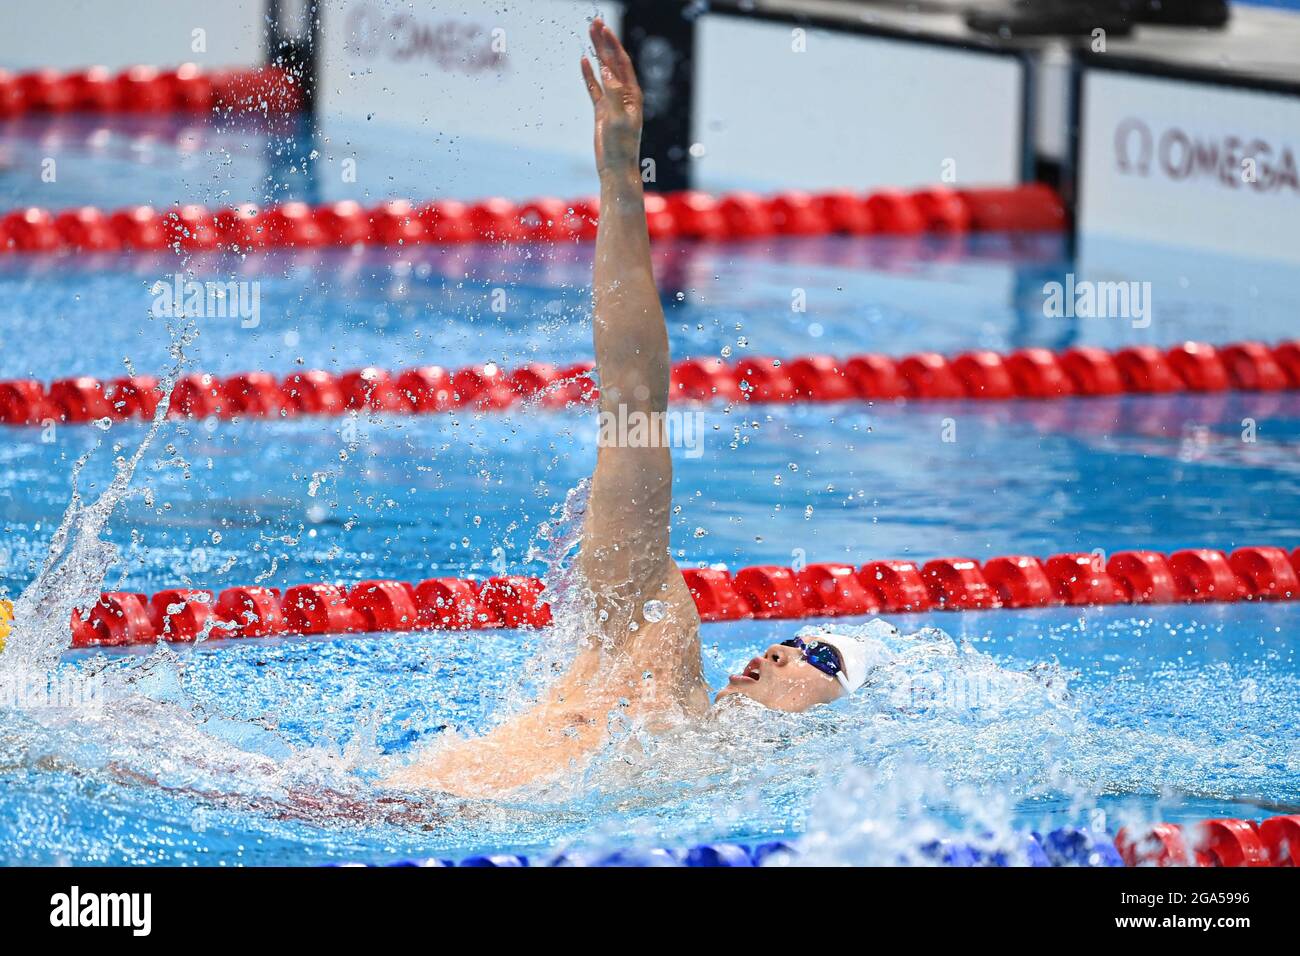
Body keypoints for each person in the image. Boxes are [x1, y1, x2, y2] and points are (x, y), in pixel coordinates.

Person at [383, 20, 872, 798]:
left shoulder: (726, 783)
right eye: (794, 640)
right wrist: (619, 174)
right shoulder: (652, 647)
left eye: (821, 660)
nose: (784, 651)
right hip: (388, 811)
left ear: (838, 717)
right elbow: (633, 401)